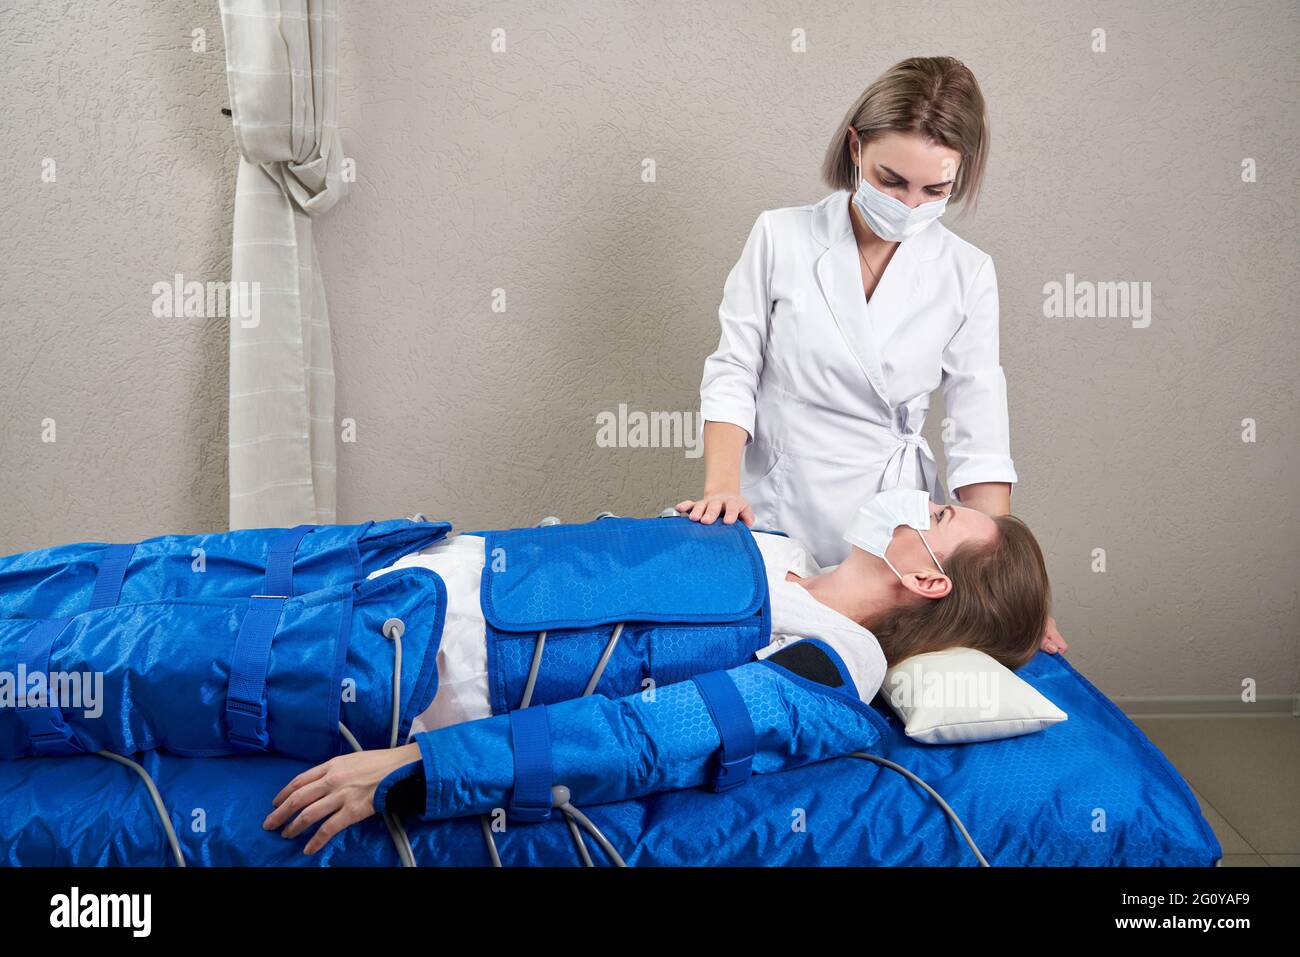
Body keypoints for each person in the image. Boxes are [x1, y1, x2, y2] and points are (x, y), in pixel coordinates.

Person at [263, 490, 1051, 853]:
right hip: (400, 559)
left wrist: (417, 768)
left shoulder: (832, 665)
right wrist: (680, 541)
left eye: (940, 515)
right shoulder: (772, 546)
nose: (919, 501)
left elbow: (640, 738)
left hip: (396, 653)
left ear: (929, 581)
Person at [678, 56, 1067, 655]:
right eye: (892, 181)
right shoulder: (780, 237)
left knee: (869, 668)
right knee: (753, 645)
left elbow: (978, 435)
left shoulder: (967, 273)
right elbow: (733, 370)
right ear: (856, 147)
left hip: (896, 524)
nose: (910, 205)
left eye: (935, 190)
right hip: (779, 494)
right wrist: (722, 487)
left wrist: (1006, 592)